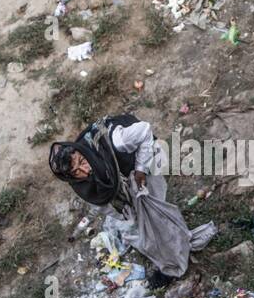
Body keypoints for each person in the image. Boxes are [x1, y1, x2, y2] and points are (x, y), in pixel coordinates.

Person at [49, 113, 214, 282]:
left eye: (82, 161)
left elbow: (144, 130)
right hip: (124, 180)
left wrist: (141, 169)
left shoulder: (116, 140)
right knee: (139, 225)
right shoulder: (81, 184)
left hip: (144, 160)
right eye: (76, 171)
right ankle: (166, 246)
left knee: (156, 214)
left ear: (82, 153)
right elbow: (103, 204)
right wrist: (128, 212)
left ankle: (175, 258)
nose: (85, 171)